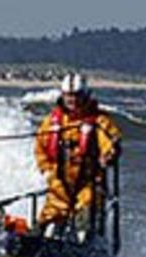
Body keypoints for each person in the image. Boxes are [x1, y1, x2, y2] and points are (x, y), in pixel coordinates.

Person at [33, 72, 122, 238]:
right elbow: (40, 148)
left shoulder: (100, 122)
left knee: (86, 219)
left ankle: (86, 249)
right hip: (59, 183)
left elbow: (111, 144)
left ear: (85, 95)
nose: (72, 100)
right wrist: (46, 170)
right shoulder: (51, 122)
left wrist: (108, 156)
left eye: (76, 96)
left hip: (88, 183)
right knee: (47, 220)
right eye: (68, 96)